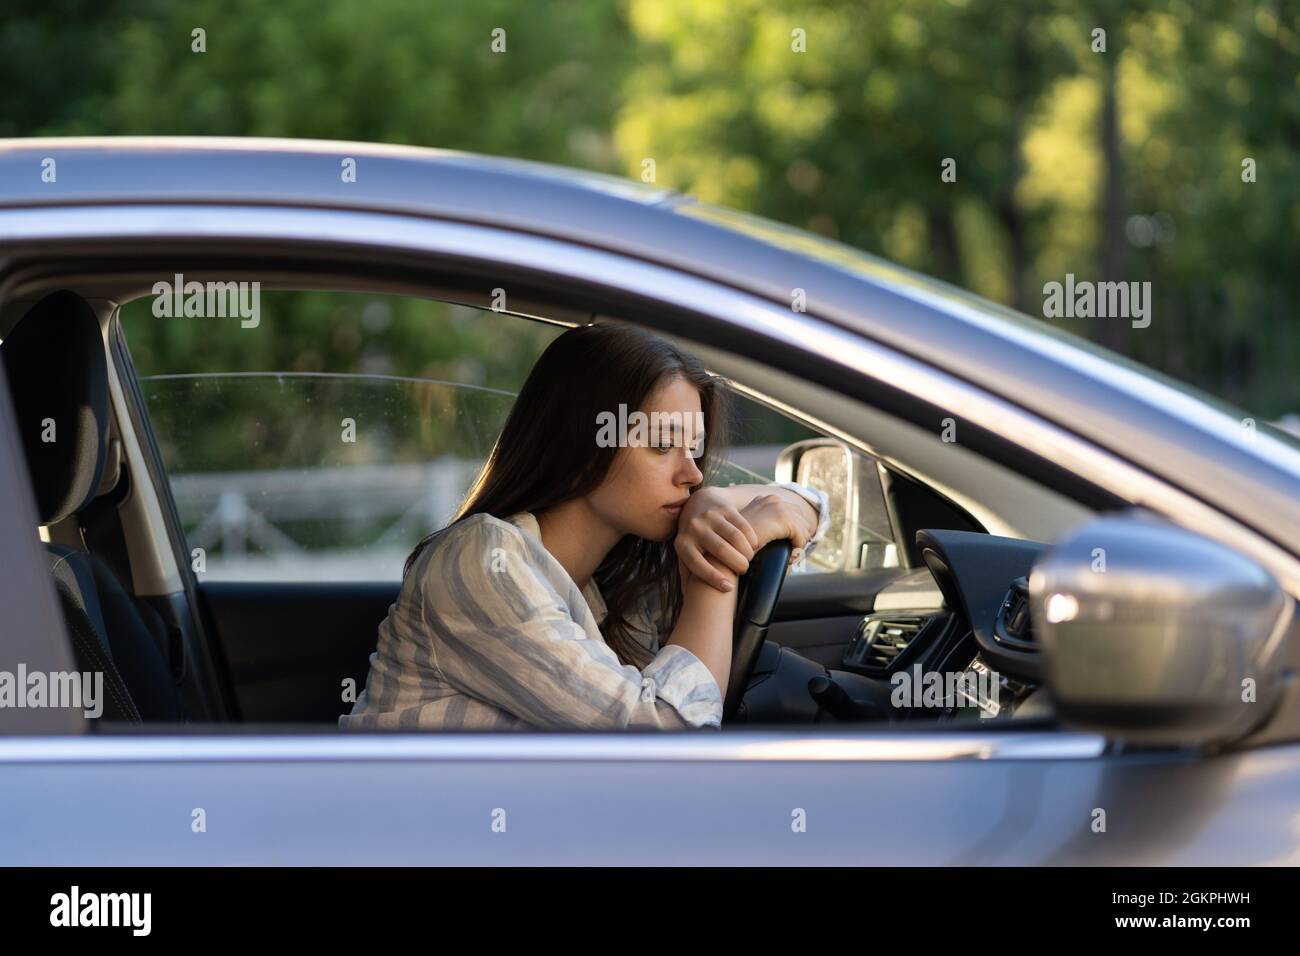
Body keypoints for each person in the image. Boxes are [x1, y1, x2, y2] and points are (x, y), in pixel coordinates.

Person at [339, 323, 828, 731]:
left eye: (694, 451)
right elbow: (666, 740)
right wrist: (720, 560)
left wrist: (713, 502)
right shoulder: (484, 560)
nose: (692, 474)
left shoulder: (618, 575)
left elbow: (806, 504)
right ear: (583, 442)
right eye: (661, 446)